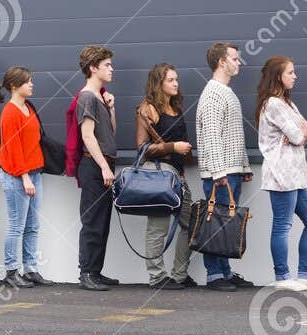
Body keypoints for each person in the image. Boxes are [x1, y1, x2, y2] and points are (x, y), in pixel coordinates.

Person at [255, 57, 307, 292]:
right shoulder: (273, 103)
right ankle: (282, 276)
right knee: (282, 225)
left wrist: (299, 132)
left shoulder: (288, 104)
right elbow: (297, 136)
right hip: (281, 174)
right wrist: (298, 133)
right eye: (291, 73)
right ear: (278, 76)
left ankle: (304, 274)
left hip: (297, 175)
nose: (295, 76)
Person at [195, 42, 251, 291]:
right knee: (215, 221)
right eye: (235, 59)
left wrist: (244, 166)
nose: (238, 63)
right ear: (221, 62)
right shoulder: (213, 93)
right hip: (221, 172)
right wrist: (219, 173)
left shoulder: (226, 92)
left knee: (226, 224)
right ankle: (214, 275)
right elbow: (212, 136)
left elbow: (234, 134)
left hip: (231, 169)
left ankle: (225, 272)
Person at [135, 64, 196, 289]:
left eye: (176, 79)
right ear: (158, 83)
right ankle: (158, 277)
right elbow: (142, 146)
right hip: (159, 173)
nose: (175, 83)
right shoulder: (147, 108)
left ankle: (179, 274)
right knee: (158, 227)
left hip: (178, 175)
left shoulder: (176, 109)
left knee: (190, 223)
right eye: (170, 80)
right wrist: (173, 146)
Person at [0, 67, 46, 288]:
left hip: (34, 172)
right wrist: (25, 177)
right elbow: (13, 147)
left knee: (33, 225)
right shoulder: (10, 112)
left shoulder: (28, 108)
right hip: (17, 176)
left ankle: (31, 269)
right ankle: (11, 271)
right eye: (28, 82)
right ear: (15, 86)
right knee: (17, 225)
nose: (32, 85)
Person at [76, 45, 120, 290]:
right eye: (107, 65)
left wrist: (111, 107)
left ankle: (96, 271)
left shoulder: (99, 98)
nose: (111, 69)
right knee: (92, 221)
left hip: (102, 164)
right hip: (94, 165)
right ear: (93, 68)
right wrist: (104, 166)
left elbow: (109, 131)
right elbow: (88, 136)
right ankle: (86, 273)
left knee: (103, 221)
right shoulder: (86, 97)